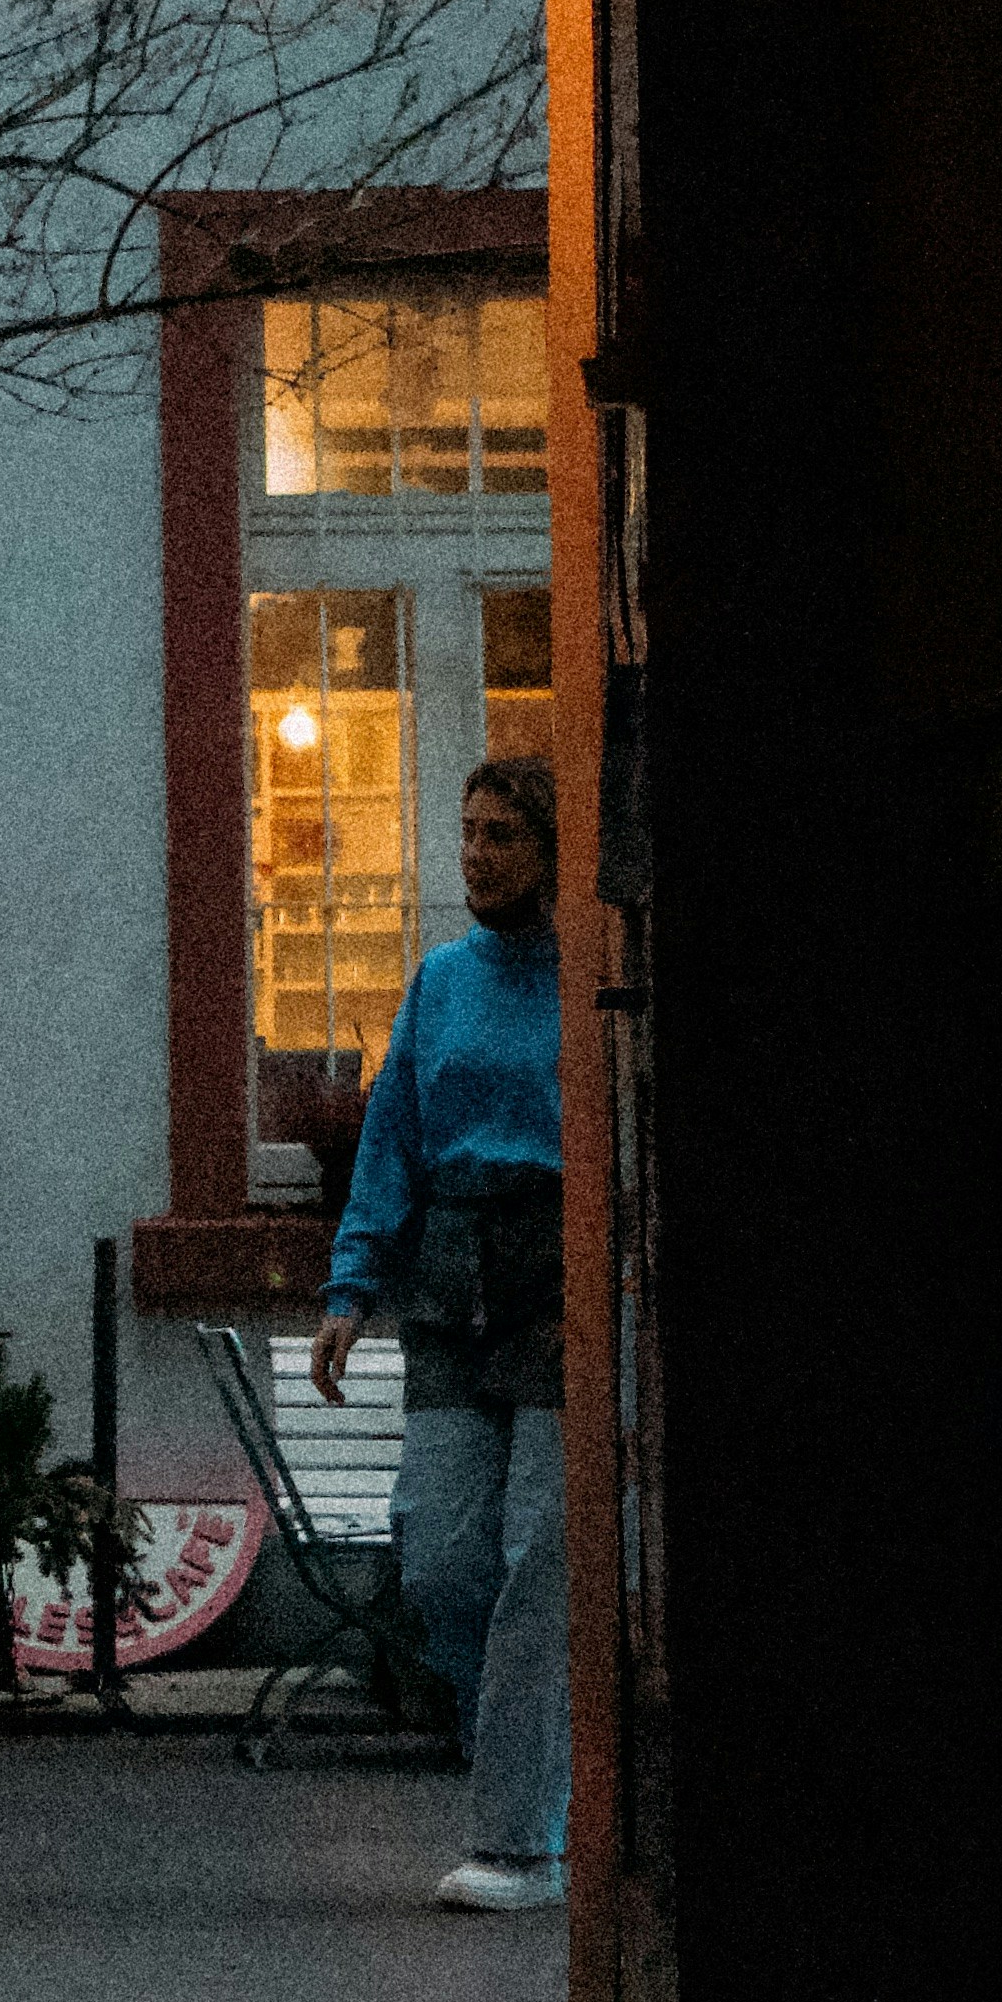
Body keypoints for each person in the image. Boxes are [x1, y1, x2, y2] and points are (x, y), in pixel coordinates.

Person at [311, 758, 571, 1912]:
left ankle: (518, 1837)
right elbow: (391, 1140)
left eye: (502, 833)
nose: (475, 853)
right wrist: (348, 1285)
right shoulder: (440, 981)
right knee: (443, 1553)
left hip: (554, 1263)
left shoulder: (586, 980)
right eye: (466, 832)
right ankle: (526, 1765)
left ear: (552, 850)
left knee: (540, 1557)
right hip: (452, 1269)